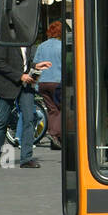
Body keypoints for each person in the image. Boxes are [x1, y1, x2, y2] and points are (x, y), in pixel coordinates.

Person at [0, 40, 51, 170]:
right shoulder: (5, 40)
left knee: (29, 119)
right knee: (3, 120)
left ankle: (26, 159)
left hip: (26, 86)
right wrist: (20, 76)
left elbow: (25, 64)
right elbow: (0, 63)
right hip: (8, 85)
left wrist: (36, 66)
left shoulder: (27, 41)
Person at [34, 21, 62, 150]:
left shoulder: (41, 46)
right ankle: (55, 134)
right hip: (57, 81)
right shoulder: (62, 46)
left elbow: (35, 65)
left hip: (42, 83)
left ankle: (55, 136)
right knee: (62, 109)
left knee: (52, 110)